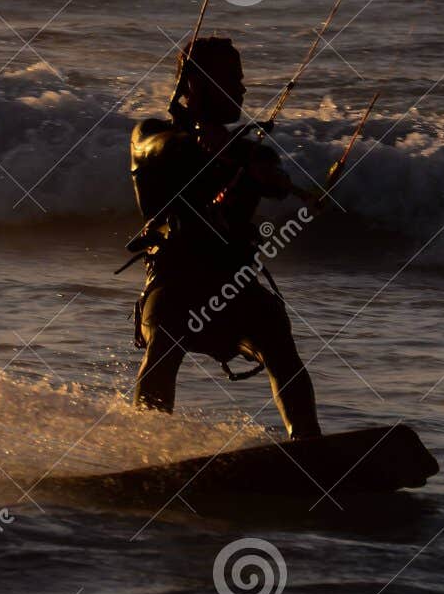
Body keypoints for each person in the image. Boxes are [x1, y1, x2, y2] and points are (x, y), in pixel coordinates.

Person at [126, 36, 321, 440]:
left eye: (241, 78)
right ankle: (144, 444)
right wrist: (198, 139)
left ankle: (309, 447)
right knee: (166, 340)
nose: (243, 89)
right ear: (195, 84)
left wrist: (269, 176)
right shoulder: (151, 134)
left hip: (231, 290)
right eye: (232, 79)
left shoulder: (246, 150)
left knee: (277, 335)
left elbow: (267, 173)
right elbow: (157, 149)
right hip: (172, 286)